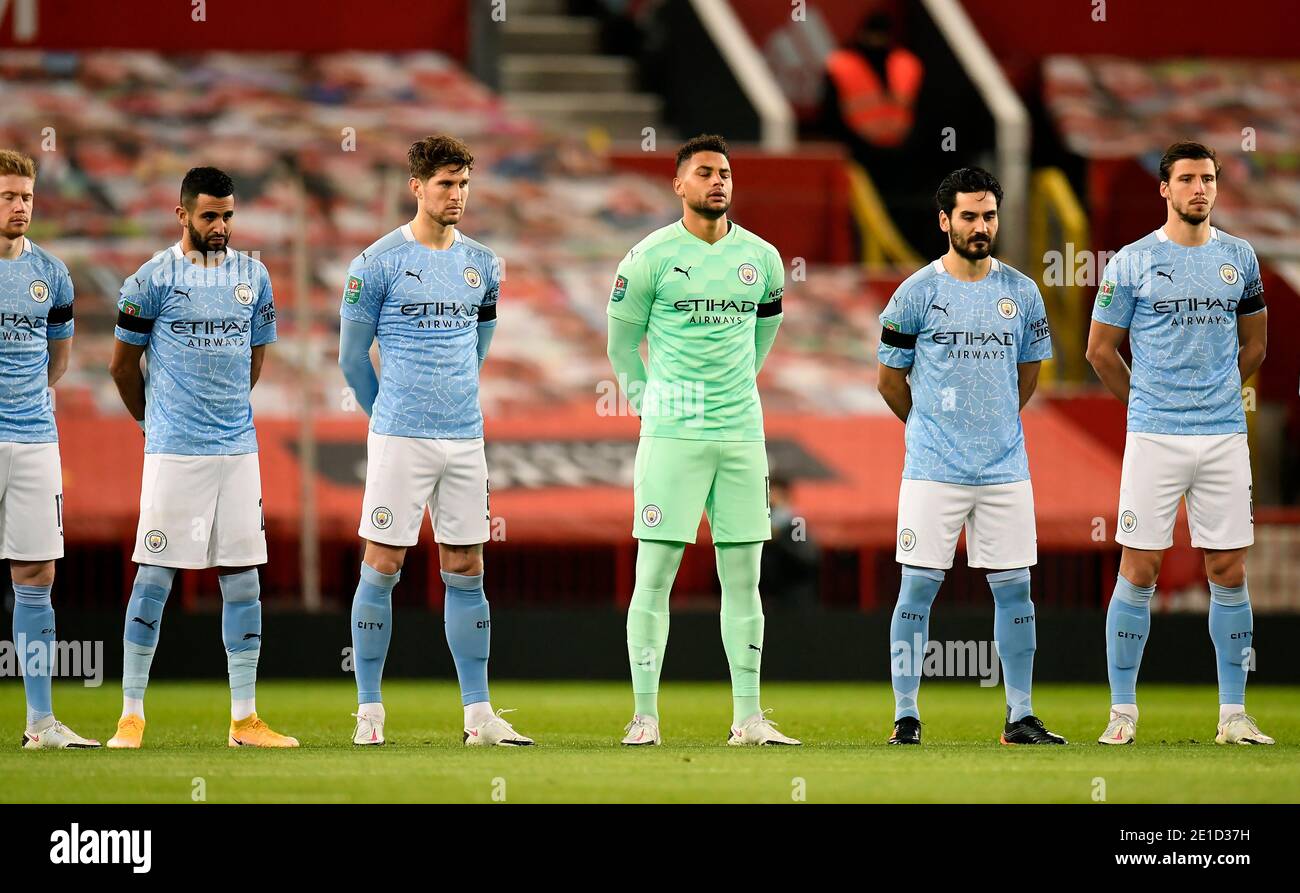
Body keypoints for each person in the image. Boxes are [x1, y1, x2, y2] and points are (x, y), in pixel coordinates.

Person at [338, 135, 531, 747]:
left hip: (465, 440)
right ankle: (370, 713)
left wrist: (453, 402)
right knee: (383, 563)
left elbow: (478, 346)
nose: (457, 195)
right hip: (401, 440)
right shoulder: (376, 263)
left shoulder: (484, 264)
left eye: (464, 183)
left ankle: (479, 717)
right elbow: (350, 359)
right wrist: (386, 419)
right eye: (445, 184)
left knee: (466, 565)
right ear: (416, 186)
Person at [606, 134, 797, 746]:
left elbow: (764, 335)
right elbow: (620, 346)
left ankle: (748, 718)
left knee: (744, 577)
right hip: (675, 434)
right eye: (706, 172)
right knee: (654, 575)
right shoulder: (648, 257)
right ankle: (644, 717)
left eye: (726, 173)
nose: (719, 181)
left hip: (742, 432)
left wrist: (735, 389)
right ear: (678, 185)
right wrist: (651, 406)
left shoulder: (763, 258)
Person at [1086, 140, 1271, 746]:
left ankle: (1234, 716)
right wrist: (1147, 403)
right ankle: (1121, 714)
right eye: (1187, 178)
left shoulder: (1240, 258)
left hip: (1222, 436)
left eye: (1209, 179)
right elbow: (1099, 350)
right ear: (1164, 189)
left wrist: (1215, 394)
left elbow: (1256, 345)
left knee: (1228, 568)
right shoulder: (1132, 262)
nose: (1200, 188)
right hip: (1155, 438)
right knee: (1139, 568)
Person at [106, 166, 294, 748]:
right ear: (182, 214)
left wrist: (229, 409)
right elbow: (121, 366)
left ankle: (244, 720)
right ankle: (131, 715)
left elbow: (255, 357)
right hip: (174, 451)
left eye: (229, 216)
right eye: (210, 215)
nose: (221, 226)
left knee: (242, 580)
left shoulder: (253, 277)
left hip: (237, 451)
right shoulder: (149, 280)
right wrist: (152, 421)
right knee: (155, 576)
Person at [876, 167, 1064, 746]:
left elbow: (1028, 374)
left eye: (988, 215)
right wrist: (933, 427)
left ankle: (1020, 716)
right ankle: (906, 715)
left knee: (1015, 590)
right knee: (918, 588)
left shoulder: (1023, 293)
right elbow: (888, 380)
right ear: (944, 221)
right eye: (969, 216)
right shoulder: (916, 292)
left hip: (1005, 467)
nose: (981, 226)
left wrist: (994, 424)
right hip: (934, 469)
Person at [0, 149, 97, 748]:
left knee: (36, 572)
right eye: (9, 196)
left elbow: (55, 362)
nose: (19, 207)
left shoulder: (53, 274)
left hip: (34, 438)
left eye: (26, 197)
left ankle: (41, 723)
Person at [761, 473, 819, 611]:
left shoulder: (796, 523)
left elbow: (807, 558)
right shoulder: (762, 527)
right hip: (771, 601)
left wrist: (779, 537)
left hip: (796, 601)